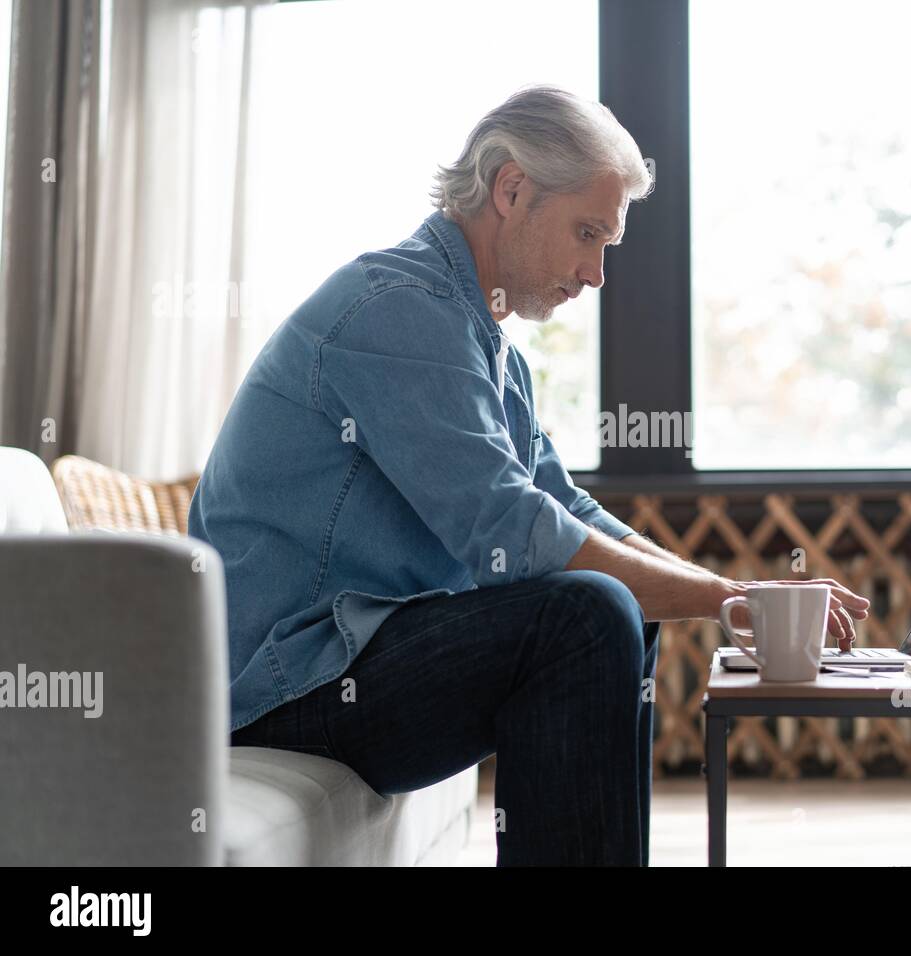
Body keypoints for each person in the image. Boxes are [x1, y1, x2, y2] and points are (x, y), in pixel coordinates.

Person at [192, 85, 870, 866]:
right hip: (288, 682)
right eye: (588, 233)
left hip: (347, 664)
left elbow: (563, 504)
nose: (596, 274)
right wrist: (723, 599)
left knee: (617, 608)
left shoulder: (487, 344)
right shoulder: (397, 308)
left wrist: (739, 594)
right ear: (511, 189)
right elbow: (512, 529)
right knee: (583, 616)